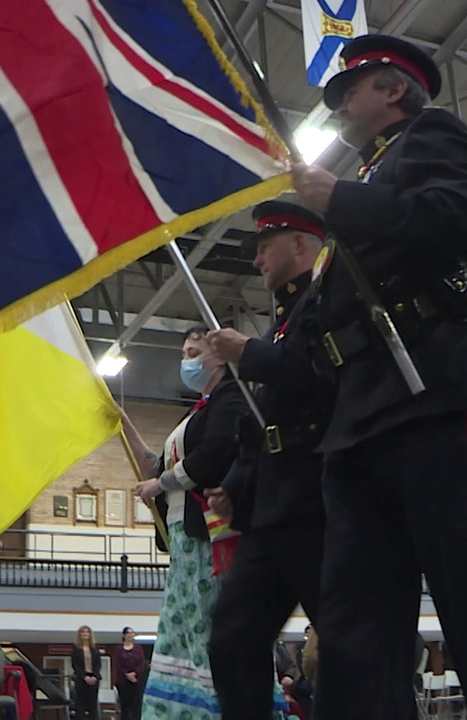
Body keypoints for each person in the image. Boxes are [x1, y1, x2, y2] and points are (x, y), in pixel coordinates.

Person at [290, 34, 467, 720]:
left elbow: (458, 218)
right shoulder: (367, 177)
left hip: (437, 390)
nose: (338, 105)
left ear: (394, 90)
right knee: (356, 624)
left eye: (350, 91)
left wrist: (341, 198)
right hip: (363, 415)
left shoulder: (432, 137)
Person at [203, 200, 333, 720]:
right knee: (232, 638)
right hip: (272, 508)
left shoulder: (327, 301)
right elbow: (262, 423)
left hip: (321, 502)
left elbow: (324, 376)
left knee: (349, 643)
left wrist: (250, 355)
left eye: (265, 247)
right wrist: (236, 482)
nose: (257, 260)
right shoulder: (279, 324)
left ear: (301, 244)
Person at [118, 329, 271, 719]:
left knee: (206, 628)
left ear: (218, 356)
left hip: (212, 537)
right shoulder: (198, 410)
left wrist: (162, 482)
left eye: (193, 351)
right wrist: (123, 425)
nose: (186, 360)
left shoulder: (233, 397)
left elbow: (213, 455)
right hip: (185, 538)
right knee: (183, 631)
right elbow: (160, 466)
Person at [113, 627, 145, 720]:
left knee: (136, 705)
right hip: (123, 681)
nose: (130, 635)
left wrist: (134, 673)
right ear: (124, 635)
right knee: (125, 706)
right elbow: (117, 663)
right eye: (128, 633)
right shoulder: (119, 649)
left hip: (136, 680)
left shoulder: (138, 648)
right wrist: (126, 674)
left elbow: (141, 662)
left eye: (132, 633)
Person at [72, 626, 103, 720]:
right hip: (81, 678)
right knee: (80, 704)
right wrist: (84, 677)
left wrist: (95, 676)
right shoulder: (76, 648)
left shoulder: (94, 648)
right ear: (80, 635)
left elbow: (98, 664)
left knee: (93, 704)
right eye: (83, 632)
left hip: (93, 678)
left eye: (87, 632)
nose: (85, 634)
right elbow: (75, 665)